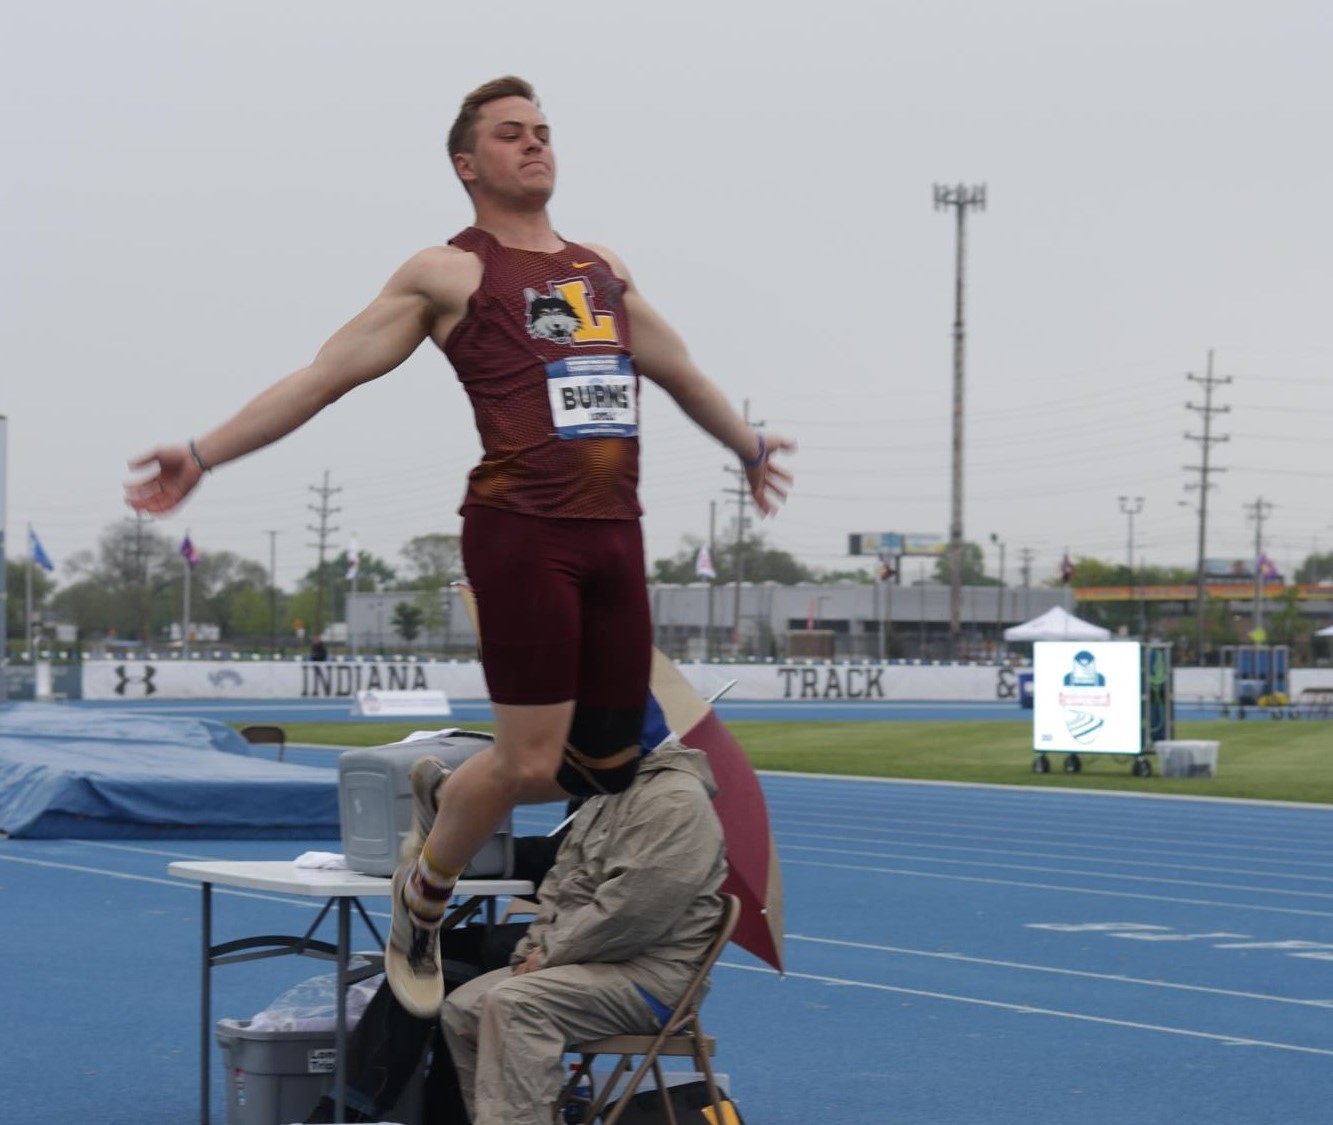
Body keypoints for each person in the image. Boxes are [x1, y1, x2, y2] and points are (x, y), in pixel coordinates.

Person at [125, 75, 791, 1017]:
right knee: (525, 765)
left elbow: (675, 366)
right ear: (466, 164)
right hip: (521, 531)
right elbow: (324, 376)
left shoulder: (602, 265)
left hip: (614, 536)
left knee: (603, 764)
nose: (536, 146)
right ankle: (421, 894)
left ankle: (453, 792)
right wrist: (202, 453)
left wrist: (746, 443)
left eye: (545, 132)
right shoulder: (449, 272)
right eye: (512, 135)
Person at [440, 736, 726, 1125]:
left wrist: (549, 954)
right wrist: (531, 949)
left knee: (517, 1005)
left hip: (651, 978)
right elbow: (560, 886)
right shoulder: (607, 792)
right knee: (463, 1009)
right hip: (596, 961)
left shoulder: (675, 802)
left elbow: (633, 915)